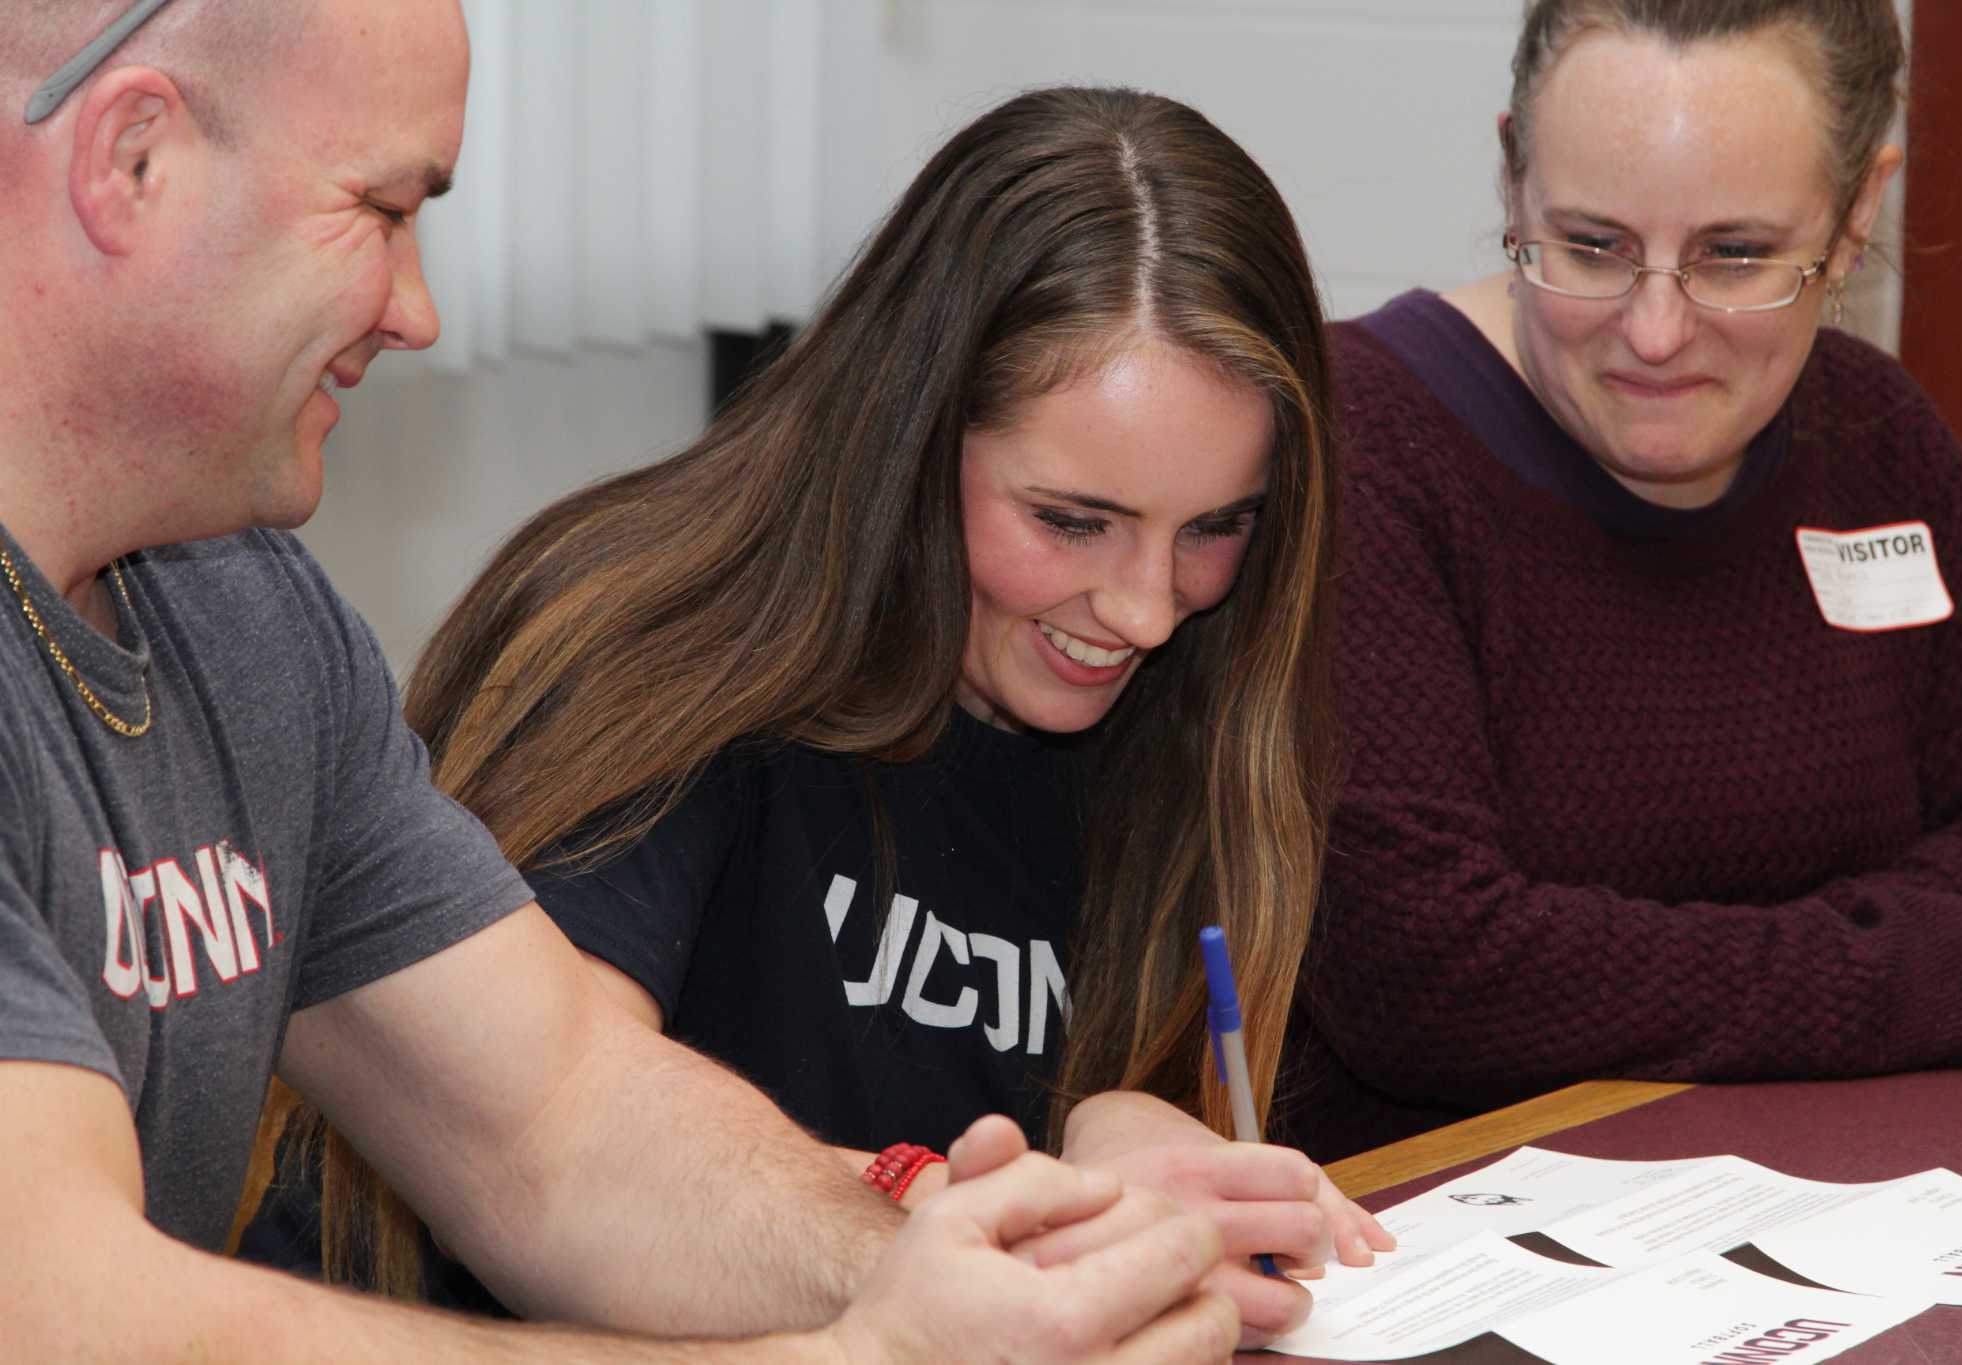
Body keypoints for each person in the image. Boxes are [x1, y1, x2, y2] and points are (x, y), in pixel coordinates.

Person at [0, 2, 1246, 1360]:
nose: (416, 311)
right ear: (132, 159)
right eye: (380, 209)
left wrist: (958, 1281)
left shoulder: (244, 605)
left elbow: (559, 1119)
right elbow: (67, 1313)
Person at [257, 84, 1390, 1345]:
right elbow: (555, 1137)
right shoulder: (657, 646)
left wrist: (1111, 1125)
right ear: (909, 438)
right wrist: (984, 1224)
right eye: (1072, 521)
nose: (1139, 611)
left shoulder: (1192, 704)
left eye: (1214, 529)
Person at [1280, 0, 1962, 1161]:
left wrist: (1627, 973)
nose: (1652, 332)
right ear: (1508, 182)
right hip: (1449, 1239)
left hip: (1856, 1205)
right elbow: (1426, 971)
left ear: (1854, 217)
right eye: (1589, 246)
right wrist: (1914, 972)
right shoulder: (1359, 444)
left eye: (1732, 256)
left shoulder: (1872, 429)